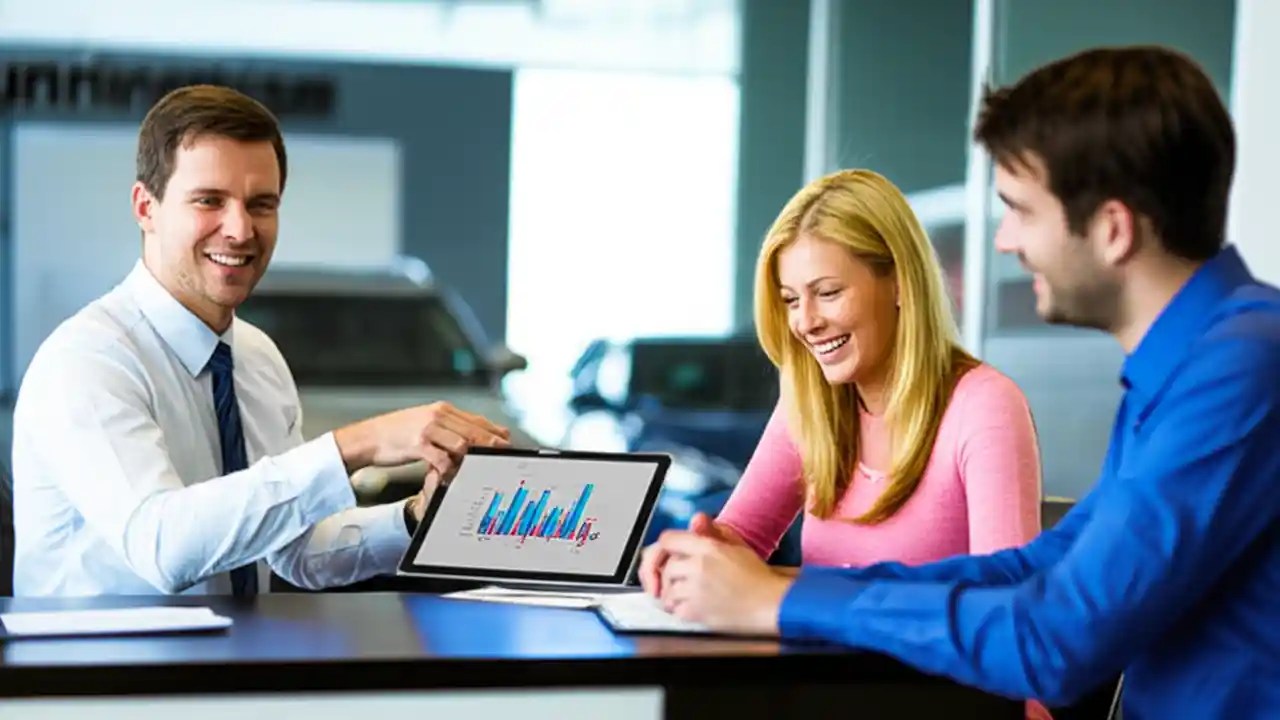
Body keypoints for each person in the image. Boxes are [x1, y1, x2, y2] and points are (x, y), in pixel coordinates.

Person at [647, 46, 1280, 719]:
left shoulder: (1241, 368)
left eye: (1021, 210)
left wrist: (782, 598)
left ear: (1112, 229)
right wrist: (785, 589)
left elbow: (1056, 634)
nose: (1005, 239)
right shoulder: (1185, 366)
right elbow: (1034, 570)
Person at [11, 85, 511, 596]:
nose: (240, 229)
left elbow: (295, 552)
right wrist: (359, 444)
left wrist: (416, 514)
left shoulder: (255, 357)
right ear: (146, 207)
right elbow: (163, 548)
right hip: (98, 672)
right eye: (209, 201)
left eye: (261, 204)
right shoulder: (88, 360)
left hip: (237, 666)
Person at [639, 168, 1041, 575]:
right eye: (791, 300)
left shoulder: (985, 405)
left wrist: (803, 592)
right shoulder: (809, 401)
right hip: (815, 642)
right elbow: (743, 538)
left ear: (900, 283)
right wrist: (700, 554)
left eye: (828, 293)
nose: (805, 322)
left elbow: (1005, 599)